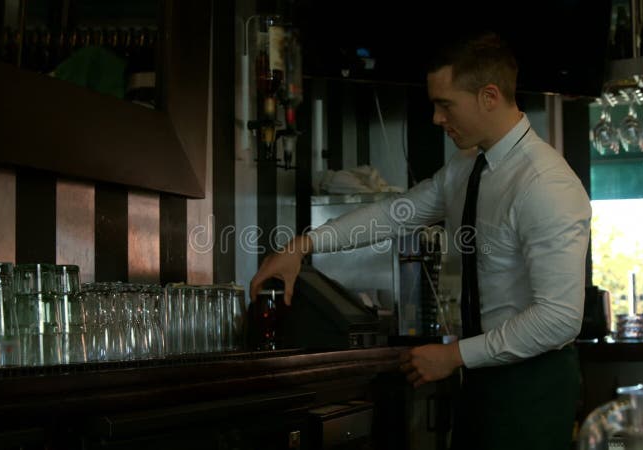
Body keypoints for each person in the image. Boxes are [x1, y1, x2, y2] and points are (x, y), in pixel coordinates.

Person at [250, 31, 591, 450]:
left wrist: (454, 355)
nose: (436, 119)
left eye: (445, 104)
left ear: (489, 96)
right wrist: (301, 247)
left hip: (532, 384)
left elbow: (559, 318)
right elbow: (395, 215)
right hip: (481, 378)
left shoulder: (545, 183)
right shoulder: (466, 166)